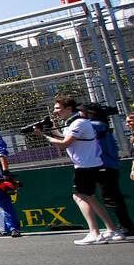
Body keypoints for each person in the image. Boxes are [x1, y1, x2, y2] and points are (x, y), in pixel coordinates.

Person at [38, 94, 120, 245]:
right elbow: (64, 138)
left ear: (68, 109)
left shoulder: (78, 123)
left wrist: (44, 136)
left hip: (85, 166)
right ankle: (111, 229)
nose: (55, 112)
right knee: (90, 198)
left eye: (58, 109)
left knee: (79, 197)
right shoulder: (76, 123)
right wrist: (50, 130)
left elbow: (64, 144)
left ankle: (94, 232)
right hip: (89, 164)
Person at [84, 106, 134, 237]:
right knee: (113, 197)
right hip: (109, 165)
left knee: (111, 198)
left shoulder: (96, 125)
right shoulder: (101, 125)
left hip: (105, 166)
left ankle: (126, 227)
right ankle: (126, 226)